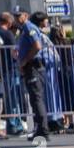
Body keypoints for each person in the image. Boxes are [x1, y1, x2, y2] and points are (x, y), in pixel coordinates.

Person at [16, 10, 52, 141]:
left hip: (33, 67)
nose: (16, 18)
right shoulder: (26, 28)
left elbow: (37, 46)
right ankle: (40, 129)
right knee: (35, 100)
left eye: (18, 15)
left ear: (25, 16)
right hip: (31, 67)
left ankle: (43, 130)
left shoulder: (28, 27)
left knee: (37, 100)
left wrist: (25, 60)